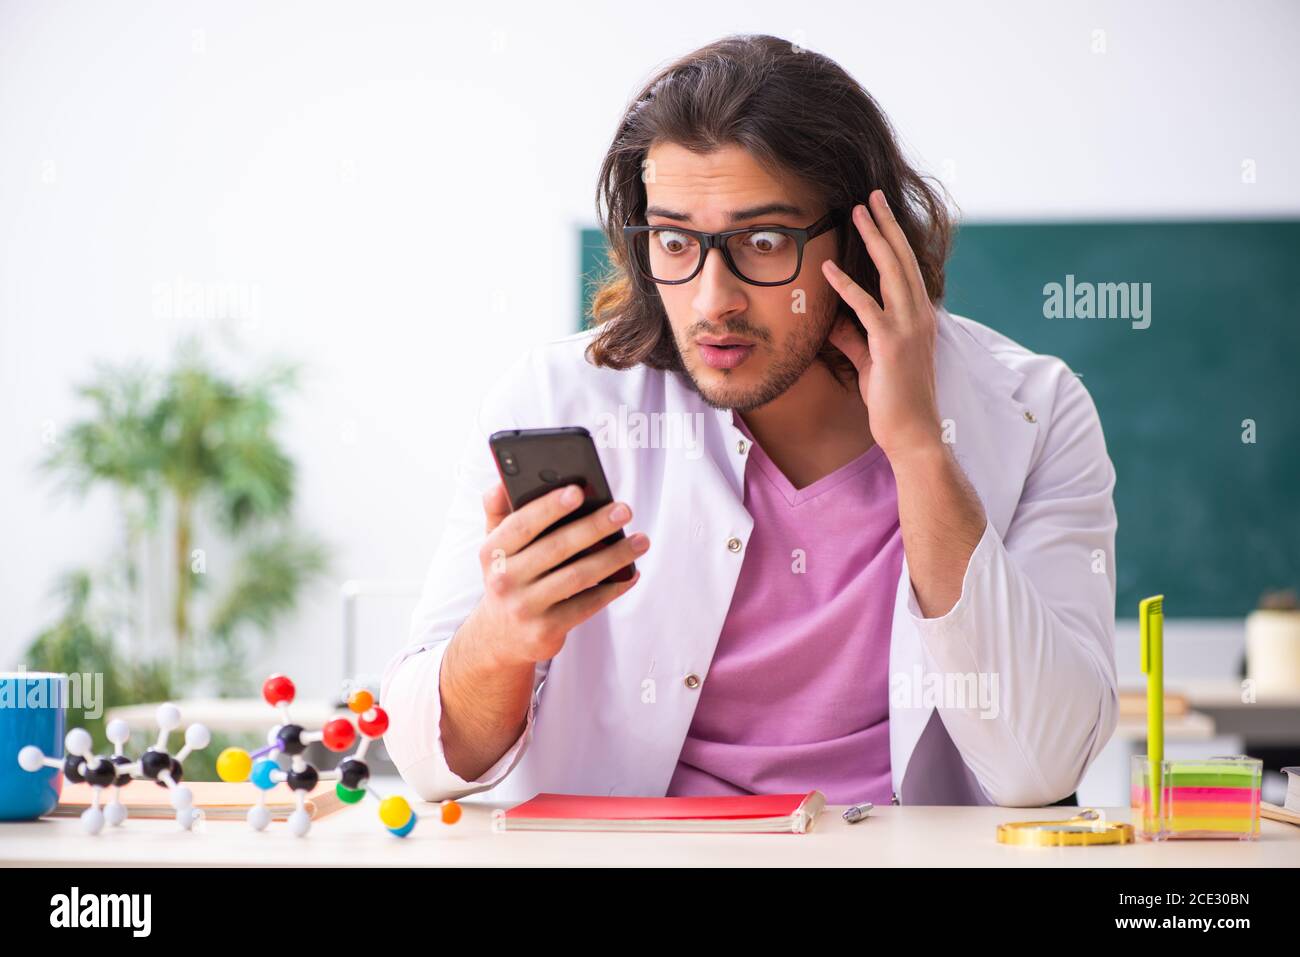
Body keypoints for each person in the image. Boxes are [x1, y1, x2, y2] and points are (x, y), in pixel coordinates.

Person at [381, 34, 1118, 807]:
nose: (712, 301)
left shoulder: (1034, 410)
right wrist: (501, 640)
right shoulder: (556, 400)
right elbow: (429, 764)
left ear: (868, 238)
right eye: (674, 241)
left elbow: (1044, 766)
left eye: (763, 241)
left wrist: (920, 452)